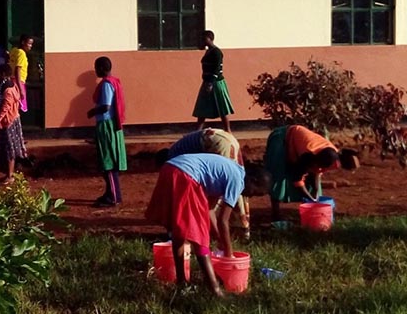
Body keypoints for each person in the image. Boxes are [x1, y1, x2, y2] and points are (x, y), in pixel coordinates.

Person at [145, 153, 263, 296]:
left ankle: (182, 282)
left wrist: (219, 237)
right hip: (186, 176)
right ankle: (215, 289)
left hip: (170, 168)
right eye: (256, 192)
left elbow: (209, 209)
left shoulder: (230, 170)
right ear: (254, 181)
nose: (250, 196)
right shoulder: (238, 180)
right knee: (199, 236)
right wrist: (229, 254)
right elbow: (223, 221)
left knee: (180, 231)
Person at [156, 128, 251, 239]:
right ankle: (240, 229)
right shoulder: (180, 147)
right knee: (233, 181)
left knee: (232, 186)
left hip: (215, 141)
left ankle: (218, 231)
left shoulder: (174, 158)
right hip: (227, 138)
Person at [264, 124, 359, 221]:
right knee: (277, 175)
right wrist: (311, 199)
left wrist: (316, 192)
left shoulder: (331, 155)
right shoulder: (308, 154)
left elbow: (317, 173)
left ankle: (308, 213)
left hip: (301, 146)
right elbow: (297, 179)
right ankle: (276, 214)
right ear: (315, 162)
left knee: (314, 188)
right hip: (283, 137)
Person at [86, 56, 127, 207]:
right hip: (112, 124)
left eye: (96, 67)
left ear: (102, 69)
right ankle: (110, 193)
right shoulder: (115, 82)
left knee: (108, 161)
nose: (95, 70)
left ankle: (114, 196)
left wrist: (92, 112)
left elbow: (106, 106)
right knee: (108, 160)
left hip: (107, 125)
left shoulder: (106, 84)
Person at [0, 63, 27, 183]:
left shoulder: (7, 87)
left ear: (2, 74)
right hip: (9, 120)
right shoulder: (8, 84)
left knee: (9, 148)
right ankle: (9, 173)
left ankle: (10, 175)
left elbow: (5, 105)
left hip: (8, 121)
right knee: (7, 147)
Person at [193, 30, 233, 132]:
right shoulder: (208, 51)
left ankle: (228, 130)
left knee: (222, 107)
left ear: (208, 39)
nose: (202, 41)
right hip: (206, 82)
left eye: (203, 38)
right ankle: (197, 131)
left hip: (216, 83)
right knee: (202, 107)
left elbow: (217, 68)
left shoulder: (217, 52)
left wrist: (211, 82)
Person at [8, 35, 33, 113]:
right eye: (29, 43)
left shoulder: (14, 50)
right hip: (18, 82)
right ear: (23, 42)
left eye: (31, 44)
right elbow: (17, 70)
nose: (30, 46)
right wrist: (21, 88)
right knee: (17, 106)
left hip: (11, 80)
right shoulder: (22, 54)